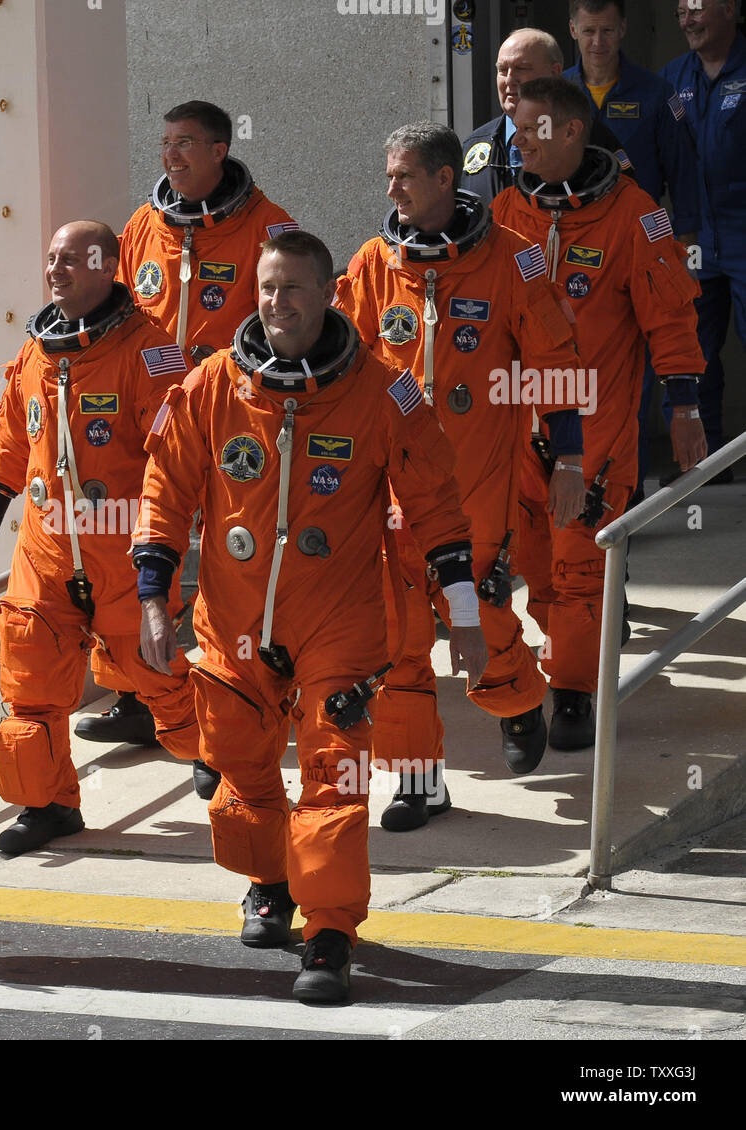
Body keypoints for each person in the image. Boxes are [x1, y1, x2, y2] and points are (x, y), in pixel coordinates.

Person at [134, 230, 487, 1003]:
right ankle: (269, 883)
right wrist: (153, 597)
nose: (276, 302)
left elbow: (436, 506)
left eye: (293, 287)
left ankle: (329, 935)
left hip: (340, 623)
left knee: (335, 777)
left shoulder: (385, 391)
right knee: (239, 765)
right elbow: (165, 490)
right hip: (234, 624)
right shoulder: (211, 384)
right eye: (266, 286)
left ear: (330, 294)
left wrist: (464, 612)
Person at [335, 122, 584, 832]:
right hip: (391, 494)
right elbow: (342, 364)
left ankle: (518, 698)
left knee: (484, 621)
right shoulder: (374, 263)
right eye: (389, 177)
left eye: (405, 176)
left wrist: (567, 458)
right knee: (397, 637)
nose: (391, 189)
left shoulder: (515, 261)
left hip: (478, 489)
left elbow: (556, 362)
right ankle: (420, 782)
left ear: (447, 179)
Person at [0, 221, 201, 855]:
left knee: (158, 677)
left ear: (107, 266)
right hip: (45, 551)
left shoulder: (150, 352)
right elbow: (13, 442)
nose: (55, 270)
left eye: (71, 259)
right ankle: (47, 805)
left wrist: (167, 541)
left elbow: (175, 458)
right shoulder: (35, 353)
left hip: (124, 551)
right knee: (29, 680)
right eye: (51, 259)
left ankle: (226, 763)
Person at [79, 100, 298, 772]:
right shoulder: (145, 225)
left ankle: (250, 695)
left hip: (235, 422)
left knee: (240, 561)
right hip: (151, 426)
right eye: (165, 144)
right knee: (142, 555)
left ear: (220, 150)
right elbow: (118, 311)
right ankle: (140, 697)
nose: (171, 157)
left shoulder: (269, 228)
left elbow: (293, 317)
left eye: (186, 144)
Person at [493, 78, 706, 749]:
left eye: (532, 130)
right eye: (517, 131)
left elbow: (671, 319)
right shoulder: (502, 209)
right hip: (515, 425)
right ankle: (555, 669)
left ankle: (576, 692)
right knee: (529, 563)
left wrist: (684, 408)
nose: (518, 141)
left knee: (580, 565)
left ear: (572, 131)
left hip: (595, 429)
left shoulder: (638, 216)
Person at [564, 0, 702, 499]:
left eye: (607, 31)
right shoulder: (559, 94)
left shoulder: (657, 93)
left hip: (640, 248)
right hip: (575, 254)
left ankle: (628, 494)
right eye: (588, 31)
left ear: (623, 29)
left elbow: (683, 174)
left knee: (636, 378)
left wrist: (686, 245)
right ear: (573, 31)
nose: (598, 42)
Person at [662, 0, 746, 480]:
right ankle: (707, 462)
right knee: (694, 347)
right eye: (680, 13)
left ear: (730, 10)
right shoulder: (673, 78)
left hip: (741, 227)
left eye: (696, 10)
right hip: (693, 232)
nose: (687, 20)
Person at [461, 27, 632, 206]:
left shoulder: (593, 140)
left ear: (555, 73)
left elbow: (626, 209)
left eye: (521, 68)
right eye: (503, 70)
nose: (509, 80)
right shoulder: (476, 144)